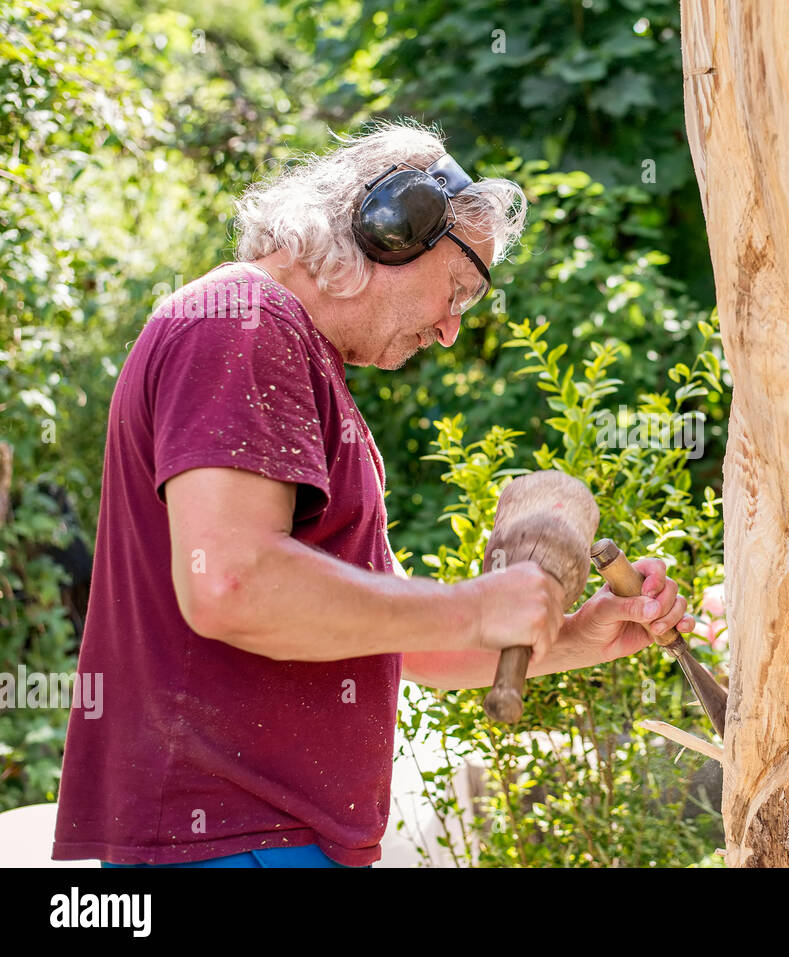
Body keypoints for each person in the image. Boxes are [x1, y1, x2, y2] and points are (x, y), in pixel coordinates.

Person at [51, 119, 694, 868]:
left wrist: (577, 633)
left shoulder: (293, 355)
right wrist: (480, 604)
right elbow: (228, 582)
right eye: (457, 289)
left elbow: (391, 634)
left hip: (267, 842)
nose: (453, 330)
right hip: (228, 840)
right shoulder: (241, 324)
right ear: (390, 227)